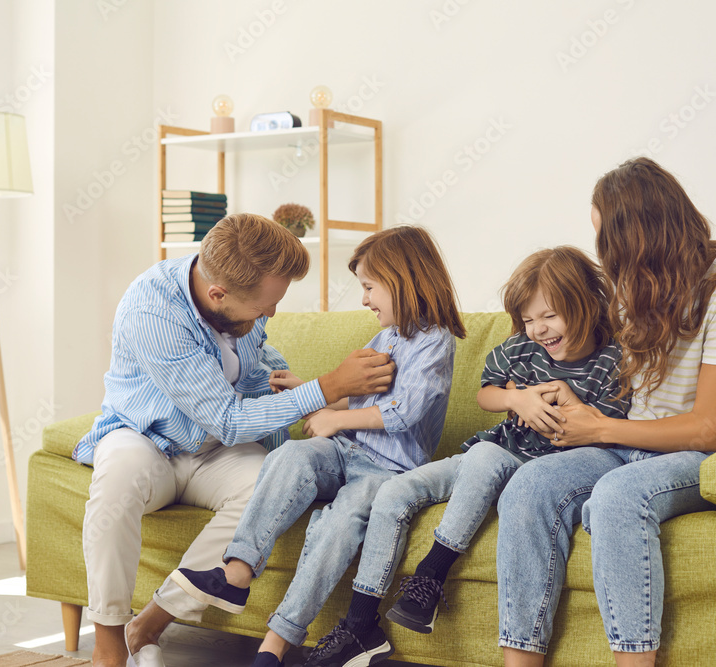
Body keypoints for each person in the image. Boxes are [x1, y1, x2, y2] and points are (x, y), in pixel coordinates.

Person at [74, 213, 396, 667]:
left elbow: (251, 362)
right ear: (217, 294)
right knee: (116, 480)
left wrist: (282, 379)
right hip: (147, 439)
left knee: (273, 480)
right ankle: (107, 644)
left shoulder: (234, 296)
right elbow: (228, 419)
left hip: (215, 454)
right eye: (264, 306)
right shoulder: (153, 309)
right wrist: (329, 386)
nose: (271, 313)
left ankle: (149, 624)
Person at [305, 246, 630, 666]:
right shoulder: (521, 350)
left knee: (486, 457)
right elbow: (486, 394)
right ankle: (361, 625)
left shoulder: (611, 362)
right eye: (529, 320)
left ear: (585, 304)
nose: (539, 330)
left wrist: (567, 415)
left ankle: (431, 576)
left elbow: (607, 428)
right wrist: (519, 398)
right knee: (394, 493)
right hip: (490, 451)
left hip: (534, 469)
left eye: (549, 316)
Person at [496, 157, 716, 667]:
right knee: (528, 485)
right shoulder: (633, 288)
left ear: (639, 235)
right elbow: (603, 368)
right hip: (626, 443)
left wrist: (597, 427)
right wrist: (577, 407)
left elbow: (709, 429)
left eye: (606, 239)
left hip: (703, 452)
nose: (602, 253)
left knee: (618, 497)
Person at [168, 225, 467, 667]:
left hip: (388, 472)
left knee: (338, 523)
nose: (364, 299)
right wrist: (312, 391)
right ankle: (236, 573)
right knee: (290, 454)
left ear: (403, 280)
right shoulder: (387, 337)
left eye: (369, 287)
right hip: (347, 452)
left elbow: (404, 412)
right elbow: (363, 394)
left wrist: (334, 418)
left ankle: (275, 643)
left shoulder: (435, 342)